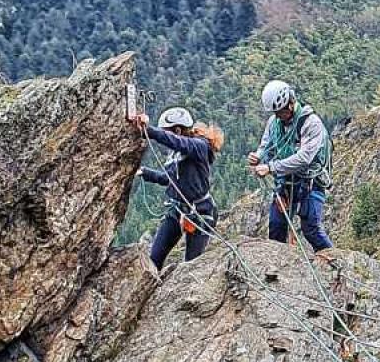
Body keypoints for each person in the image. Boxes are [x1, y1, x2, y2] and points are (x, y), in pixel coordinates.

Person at [247, 78, 334, 255]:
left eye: (281, 112)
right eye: (276, 113)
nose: (278, 116)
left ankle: (335, 262)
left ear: (291, 103)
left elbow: (304, 158)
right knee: (277, 225)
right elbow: (267, 144)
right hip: (286, 183)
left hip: (310, 182)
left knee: (311, 229)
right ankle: (275, 267)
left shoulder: (311, 123)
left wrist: (271, 167)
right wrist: (258, 156)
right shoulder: (274, 122)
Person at [131, 106, 224, 271]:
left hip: (200, 213)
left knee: (190, 266)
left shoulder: (198, 146)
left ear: (178, 130)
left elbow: (177, 142)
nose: (166, 137)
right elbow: (170, 179)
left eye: (167, 132)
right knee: (154, 259)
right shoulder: (175, 153)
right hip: (177, 210)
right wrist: (145, 173)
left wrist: (149, 131)